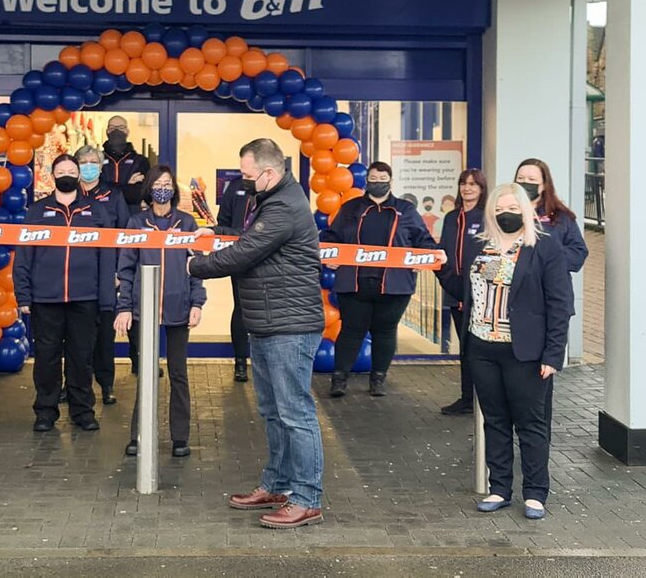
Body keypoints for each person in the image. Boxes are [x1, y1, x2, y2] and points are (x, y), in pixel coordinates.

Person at [188, 139, 326, 529]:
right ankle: (278, 485)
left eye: (248, 176)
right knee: (272, 412)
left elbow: (246, 251)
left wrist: (196, 266)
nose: (244, 183)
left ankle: (307, 498)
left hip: (289, 326)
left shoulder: (284, 205)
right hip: (267, 323)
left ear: (270, 172)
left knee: (295, 414)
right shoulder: (270, 200)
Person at [439, 183, 573, 520]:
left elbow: (561, 305)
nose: (505, 213)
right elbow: (463, 291)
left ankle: (535, 493)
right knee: (495, 422)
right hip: (482, 348)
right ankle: (499, 487)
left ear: (525, 210)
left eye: (512, 207)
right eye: (499, 209)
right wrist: (439, 266)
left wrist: (553, 355)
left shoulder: (545, 247)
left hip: (525, 352)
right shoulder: (480, 246)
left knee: (531, 424)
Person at [320, 161, 443, 398]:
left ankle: (378, 379)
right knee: (351, 331)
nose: (377, 183)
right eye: (373, 179)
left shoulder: (405, 210)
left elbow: (424, 241)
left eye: (382, 179)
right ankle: (339, 378)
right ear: (366, 181)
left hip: (394, 285)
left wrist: (425, 258)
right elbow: (330, 237)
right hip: (354, 283)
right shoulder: (351, 208)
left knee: (385, 331)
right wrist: (329, 256)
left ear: (391, 181)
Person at [13, 155, 116, 433]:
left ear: (80, 174)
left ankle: (83, 411)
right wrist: (22, 294)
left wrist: (107, 298)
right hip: (46, 298)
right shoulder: (36, 211)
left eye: (72, 170)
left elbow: (107, 257)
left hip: (86, 297)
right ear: (52, 174)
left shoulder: (95, 211)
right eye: (62, 171)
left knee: (81, 357)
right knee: (46, 357)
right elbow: (23, 255)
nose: (67, 174)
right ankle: (45, 411)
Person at [115, 166, 206, 458]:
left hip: (178, 309)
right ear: (149, 189)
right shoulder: (136, 222)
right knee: (146, 374)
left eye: (168, 184)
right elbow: (125, 269)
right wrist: (125, 307)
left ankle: (180, 437)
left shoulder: (188, 223)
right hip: (144, 310)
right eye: (158, 183)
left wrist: (197, 302)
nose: (163, 188)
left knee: (178, 374)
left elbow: (197, 268)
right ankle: (139, 434)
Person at [75, 144, 129, 405]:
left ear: (100, 165)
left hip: (108, 275)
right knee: (75, 335)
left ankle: (106, 385)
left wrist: (119, 270)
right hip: (75, 275)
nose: (88, 166)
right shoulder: (69, 194)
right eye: (83, 162)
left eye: (92, 162)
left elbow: (124, 236)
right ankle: (72, 383)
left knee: (105, 335)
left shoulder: (113, 194)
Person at [437, 168, 488, 416]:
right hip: (454, 292)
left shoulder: (487, 217)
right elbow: (443, 252)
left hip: (480, 295)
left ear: (481, 188)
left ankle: (484, 397)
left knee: (478, 348)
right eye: (463, 184)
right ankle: (467, 398)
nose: (467, 188)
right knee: (464, 348)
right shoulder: (450, 218)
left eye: (473, 184)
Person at [514, 158, 588, 276]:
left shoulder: (561, 216)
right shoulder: (504, 213)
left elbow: (578, 253)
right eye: (520, 178)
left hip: (551, 285)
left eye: (532, 179)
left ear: (544, 185)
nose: (525, 182)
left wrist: (546, 258)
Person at [216, 175, 256, 383]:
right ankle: (240, 362)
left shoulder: (275, 186)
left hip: (270, 258)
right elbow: (223, 220)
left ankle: (263, 363)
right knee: (241, 308)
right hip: (240, 257)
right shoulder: (235, 187)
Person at [100, 115, 150, 215]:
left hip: (131, 216)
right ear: (107, 131)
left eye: (121, 128)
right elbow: (96, 189)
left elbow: (138, 193)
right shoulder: (97, 160)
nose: (116, 131)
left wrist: (108, 187)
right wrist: (127, 186)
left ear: (127, 131)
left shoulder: (140, 161)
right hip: (102, 214)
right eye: (112, 128)